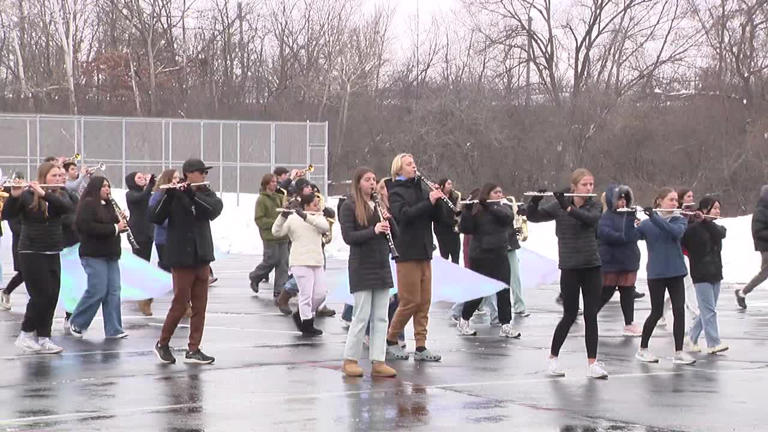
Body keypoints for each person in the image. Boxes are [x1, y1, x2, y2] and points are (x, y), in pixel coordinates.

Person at [527, 168, 608, 379]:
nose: (589, 188)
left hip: (592, 267)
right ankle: (553, 359)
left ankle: (593, 363)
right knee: (569, 315)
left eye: (591, 184)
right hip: (570, 267)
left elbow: (589, 220)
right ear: (574, 186)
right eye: (585, 185)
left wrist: (568, 207)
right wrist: (535, 201)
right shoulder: (557, 206)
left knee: (591, 315)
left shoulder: (595, 204)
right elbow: (533, 217)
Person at [151, 158, 223, 364]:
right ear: (189, 173)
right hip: (182, 257)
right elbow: (154, 216)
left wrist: (192, 194)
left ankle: (194, 348)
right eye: (201, 172)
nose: (204, 176)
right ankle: (163, 343)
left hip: (202, 256)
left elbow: (213, 210)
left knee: (200, 306)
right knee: (181, 303)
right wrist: (169, 195)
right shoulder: (173, 194)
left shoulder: (205, 193)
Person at [2, 162, 75, 354]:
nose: (60, 178)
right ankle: (26, 334)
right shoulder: (27, 195)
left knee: (52, 296)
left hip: (53, 251)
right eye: (55, 176)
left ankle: (44, 337)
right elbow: (7, 214)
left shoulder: (61, 195)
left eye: (61, 175)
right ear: (44, 177)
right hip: (31, 251)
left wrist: (45, 193)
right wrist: (13, 196)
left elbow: (66, 208)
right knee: (40, 296)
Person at [385, 153, 445, 362]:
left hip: (424, 249)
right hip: (407, 251)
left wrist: (439, 200)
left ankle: (421, 346)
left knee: (424, 302)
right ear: (399, 170)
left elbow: (433, 216)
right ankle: (391, 339)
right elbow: (405, 215)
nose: (414, 167)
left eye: (414, 163)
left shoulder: (421, 187)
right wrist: (428, 201)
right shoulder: (395, 191)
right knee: (410, 301)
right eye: (409, 164)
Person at [340, 167, 398, 377]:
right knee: (361, 315)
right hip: (362, 266)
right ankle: (350, 360)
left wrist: (389, 220)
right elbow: (349, 237)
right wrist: (373, 230)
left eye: (374, 180)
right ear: (358, 183)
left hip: (381, 265)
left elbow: (396, 235)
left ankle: (378, 360)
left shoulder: (379, 205)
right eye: (367, 180)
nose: (372, 183)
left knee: (381, 317)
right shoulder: (349, 206)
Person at [635, 187, 696, 365]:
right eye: (671, 200)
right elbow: (630, 237)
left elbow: (674, 232)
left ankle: (678, 352)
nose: (675, 203)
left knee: (679, 311)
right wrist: (627, 219)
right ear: (659, 201)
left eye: (676, 200)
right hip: (656, 273)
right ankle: (643, 349)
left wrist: (653, 217)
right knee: (656, 312)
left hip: (676, 272)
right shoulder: (647, 224)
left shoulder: (680, 220)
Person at [456, 182, 522, 339]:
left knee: (504, 291)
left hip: (499, 254)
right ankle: (464, 319)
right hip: (480, 256)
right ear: (487, 194)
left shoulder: (502, 208)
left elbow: (508, 218)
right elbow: (466, 229)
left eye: (500, 192)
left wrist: (491, 206)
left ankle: (505, 325)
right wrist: (465, 211)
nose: (499, 195)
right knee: (480, 291)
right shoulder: (477, 211)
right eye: (495, 193)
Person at [68, 176, 128, 339]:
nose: (107, 189)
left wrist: (121, 221)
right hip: (93, 254)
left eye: (108, 186)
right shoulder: (88, 204)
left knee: (113, 291)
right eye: (103, 187)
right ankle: (77, 322)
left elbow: (116, 226)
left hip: (111, 254)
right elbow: (87, 227)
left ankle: (114, 329)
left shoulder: (110, 205)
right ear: (95, 188)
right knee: (98, 289)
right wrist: (115, 227)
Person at [272, 191, 330, 336]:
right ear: (306, 205)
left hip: (316, 261)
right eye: (315, 205)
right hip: (300, 261)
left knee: (320, 294)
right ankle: (307, 324)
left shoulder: (319, 219)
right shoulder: (292, 219)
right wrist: (283, 215)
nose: (318, 207)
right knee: (306, 295)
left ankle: (302, 315)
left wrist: (306, 216)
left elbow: (325, 227)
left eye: (318, 204)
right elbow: (276, 232)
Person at [682, 196, 729, 354]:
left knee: (707, 310)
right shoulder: (693, 229)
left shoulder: (716, 228)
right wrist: (695, 221)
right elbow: (683, 238)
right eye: (714, 208)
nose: (717, 211)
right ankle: (713, 343)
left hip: (716, 273)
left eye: (718, 208)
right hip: (701, 275)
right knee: (709, 311)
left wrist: (705, 221)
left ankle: (691, 337)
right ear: (703, 210)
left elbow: (719, 234)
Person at [596, 184, 643, 336]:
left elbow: (636, 235)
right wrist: (624, 236)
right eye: (619, 199)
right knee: (606, 292)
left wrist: (635, 226)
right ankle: (590, 315)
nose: (623, 202)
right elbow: (606, 234)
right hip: (611, 261)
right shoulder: (605, 217)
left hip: (628, 259)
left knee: (627, 292)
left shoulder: (630, 217)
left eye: (625, 199)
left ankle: (629, 323)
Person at [250, 173, 290, 309]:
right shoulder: (261, 200)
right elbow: (259, 219)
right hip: (269, 236)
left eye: (275, 182)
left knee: (283, 263)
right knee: (271, 260)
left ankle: (280, 290)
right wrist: (276, 222)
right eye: (272, 182)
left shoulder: (280, 197)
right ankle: (255, 276)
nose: (275, 184)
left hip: (283, 235)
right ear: (266, 184)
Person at [125, 171, 156, 316]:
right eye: (139, 177)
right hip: (137, 231)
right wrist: (150, 185)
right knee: (140, 261)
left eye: (143, 176)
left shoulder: (147, 192)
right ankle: (140, 293)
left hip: (148, 230)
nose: (142, 178)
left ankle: (142, 290)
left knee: (146, 262)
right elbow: (141, 197)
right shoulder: (130, 194)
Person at [735, 185, 768, 309]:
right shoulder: (761, 211)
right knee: (765, 272)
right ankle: (742, 292)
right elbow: (758, 231)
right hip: (766, 247)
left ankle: (743, 292)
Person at [1, 173, 24, 310]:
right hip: (20, 244)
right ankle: (6, 291)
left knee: (29, 274)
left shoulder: (27, 200)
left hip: (33, 244)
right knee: (24, 273)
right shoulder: (12, 206)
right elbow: (15, 227)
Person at [433, 178, 461, 264]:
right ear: (442, 186)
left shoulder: (454, 198)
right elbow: (438, 216)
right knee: (444, 256)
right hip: (442, 232)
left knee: (456, 256)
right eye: (448, 184)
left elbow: (458, 211)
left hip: (453, 231)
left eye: (451, 184)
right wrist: (453, 222)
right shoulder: (437, 199)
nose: (451, 186)